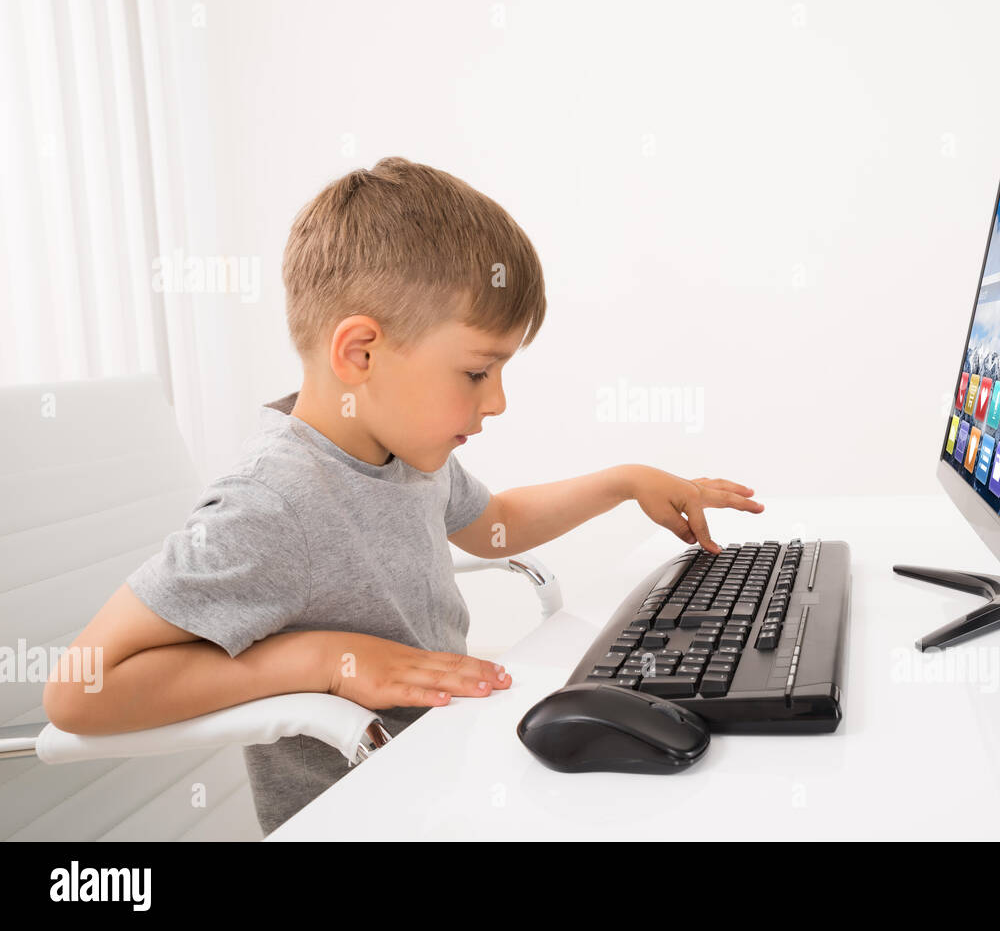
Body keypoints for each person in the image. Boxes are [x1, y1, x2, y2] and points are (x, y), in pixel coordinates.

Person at [42, 157, 764, 837]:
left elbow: (498, 528)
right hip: (371, 815)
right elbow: (78, 691)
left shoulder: (400, 451)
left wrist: (624, 481)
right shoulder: (273, 500)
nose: (500, 401)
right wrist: (322, 659)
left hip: (446, 773)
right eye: (480, 372)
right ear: (360, 353)